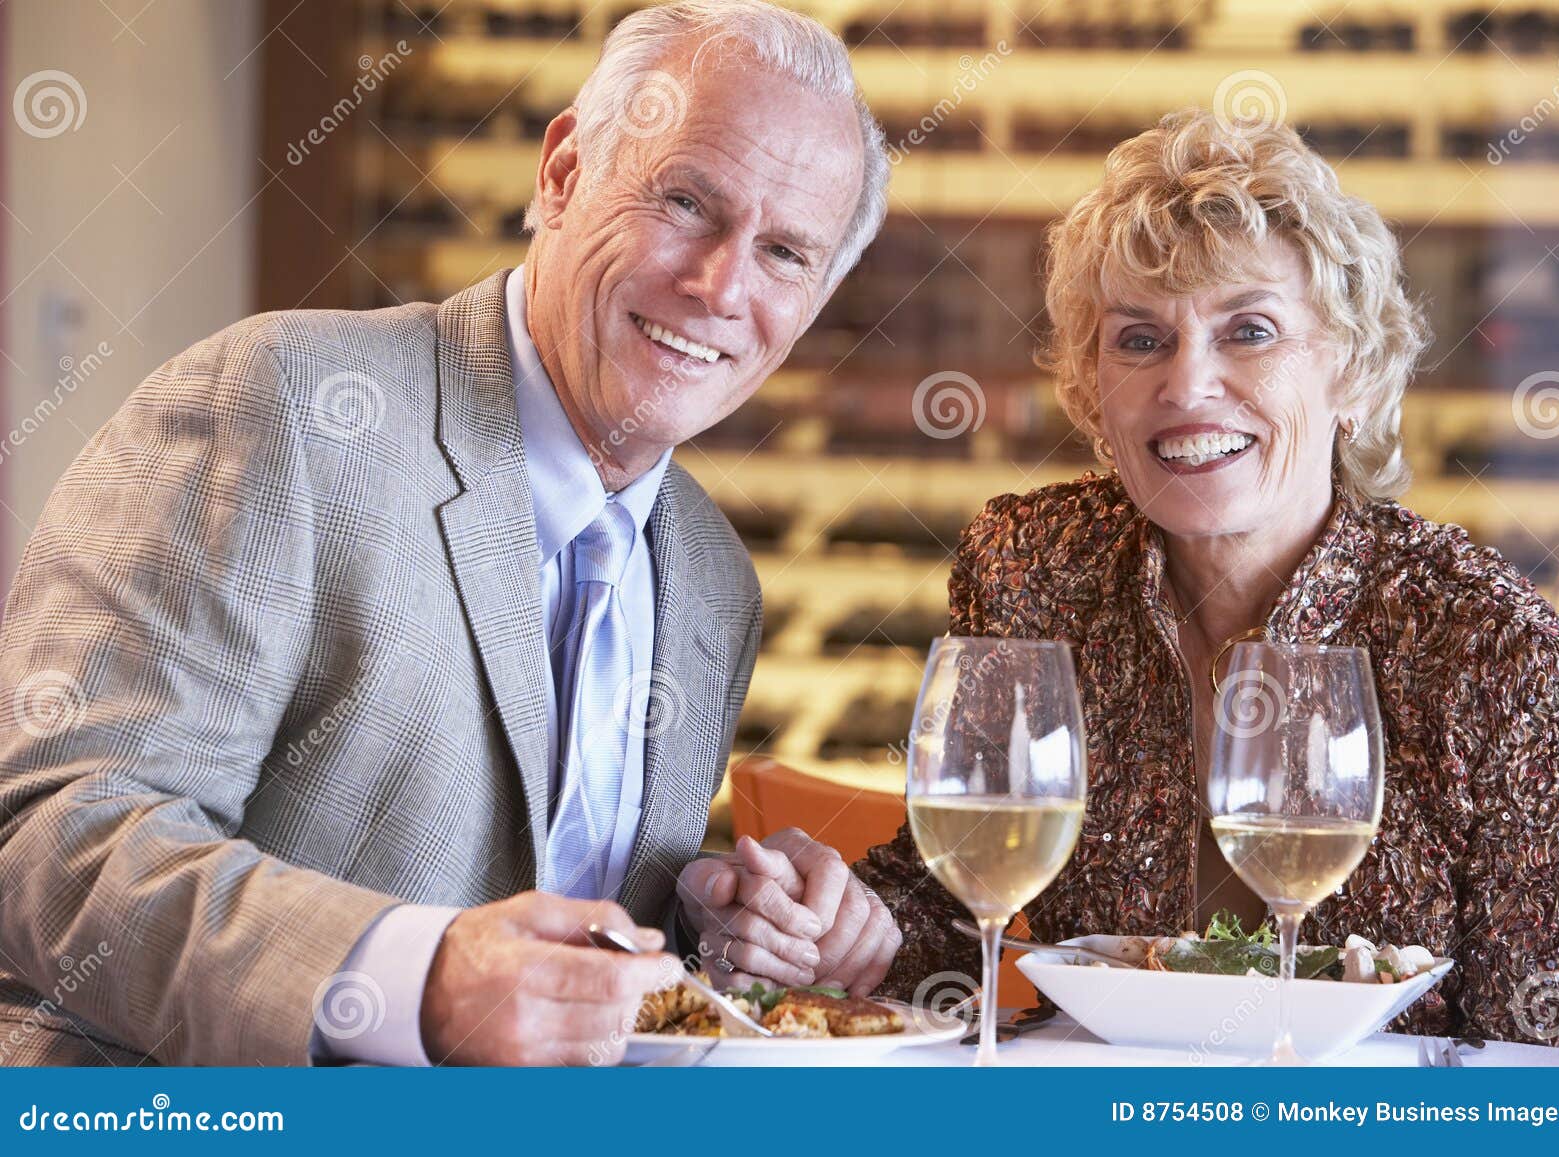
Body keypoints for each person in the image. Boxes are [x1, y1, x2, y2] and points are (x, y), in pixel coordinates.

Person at [0, 0, 896, 1067]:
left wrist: (728, 925)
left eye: (787, 253)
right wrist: (416, 979)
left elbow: (541, 912)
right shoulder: (283, 403)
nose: (719, 285)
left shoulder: (712, 578)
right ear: (562, 172)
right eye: (685, 200)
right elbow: (58, 832)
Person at [855, 108, 1559, 1048]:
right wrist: (844, 923)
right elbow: (960, 893)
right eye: (1138, 339)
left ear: (1355, 376)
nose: (1186, 385)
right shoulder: (1033, 562)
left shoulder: (1499, 660)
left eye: (1248, 330)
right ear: (1093, 387)